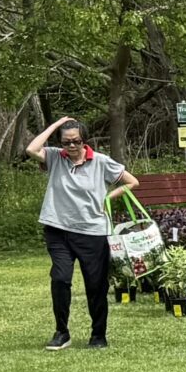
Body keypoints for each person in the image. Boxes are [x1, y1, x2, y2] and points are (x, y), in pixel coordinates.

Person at [26, 116, 138, 351]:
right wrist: (56, 125)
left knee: (96, 285)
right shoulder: (55, 156)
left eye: (76, 141)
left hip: (92, 232)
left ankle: (98, 335)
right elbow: (31, 149)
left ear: (85, 141)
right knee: (60, 278)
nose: (71, 146)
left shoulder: (101, 162)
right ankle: (61, 332)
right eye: (66, 142)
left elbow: (131, 182)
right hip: (57, 229)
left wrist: (108, 197)